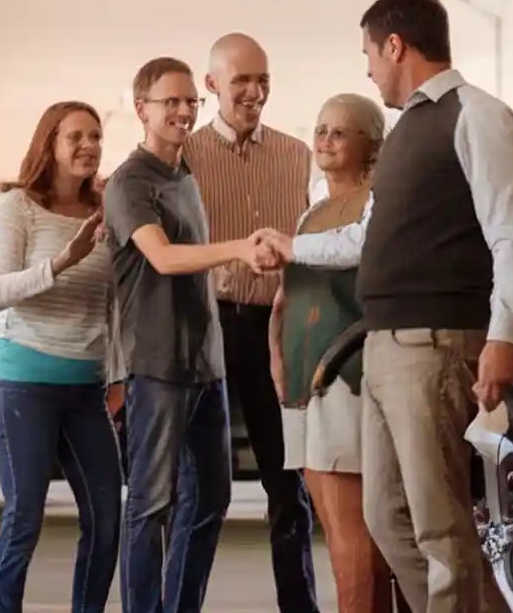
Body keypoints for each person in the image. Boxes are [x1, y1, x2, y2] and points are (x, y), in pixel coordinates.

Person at [260, 0, 513, 612]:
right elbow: (367, 238)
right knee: (390, 521)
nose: (367, 68)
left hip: (435, 346)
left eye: (369, 52)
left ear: (396, 45)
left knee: (441, 527)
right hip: (384, 347)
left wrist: (505, 336)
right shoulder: (408, 129)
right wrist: (291, 246)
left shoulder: (477, 115)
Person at [103, 56, 274, 613]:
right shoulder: (131, 182)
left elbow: (194, 265)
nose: (181, 111)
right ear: (141, 109)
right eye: (168, 102)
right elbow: (164, 257)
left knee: (211, 501)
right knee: (150, 505)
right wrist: (237, 247)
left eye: (188, 102)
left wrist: (229, 269)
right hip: (158, 368)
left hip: (207, 366)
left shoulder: (184, 178)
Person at [182, 33, 318, 612]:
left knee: (287, 484)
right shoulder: (183, 156)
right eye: (241, 80)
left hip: (276, 330)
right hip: (208, 326)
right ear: (212, 84)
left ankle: (300, 607)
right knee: (199, 490)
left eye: (262, 79)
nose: (255, 91)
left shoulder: (296, 155)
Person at [0, 101, 120, 613]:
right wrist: (65, 260)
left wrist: (117, 373)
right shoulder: (15, 207)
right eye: (75, 137)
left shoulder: (107, 209)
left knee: (108, 518)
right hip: (21, 382)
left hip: (86, 388)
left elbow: (113, 302)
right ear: (50, 146)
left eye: (96, 137)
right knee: (24, 519)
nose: (89, 146)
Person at [266, 93, 394, 613]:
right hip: (301, 382)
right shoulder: (312, 210)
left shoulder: (376, 204)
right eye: (320, 129)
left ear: (372, 144)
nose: (324, 138)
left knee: (357, 537)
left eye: (340, 131)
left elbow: (355, 254)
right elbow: (288, 295)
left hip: (348, 377)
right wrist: (276, 352)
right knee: (335, 528)